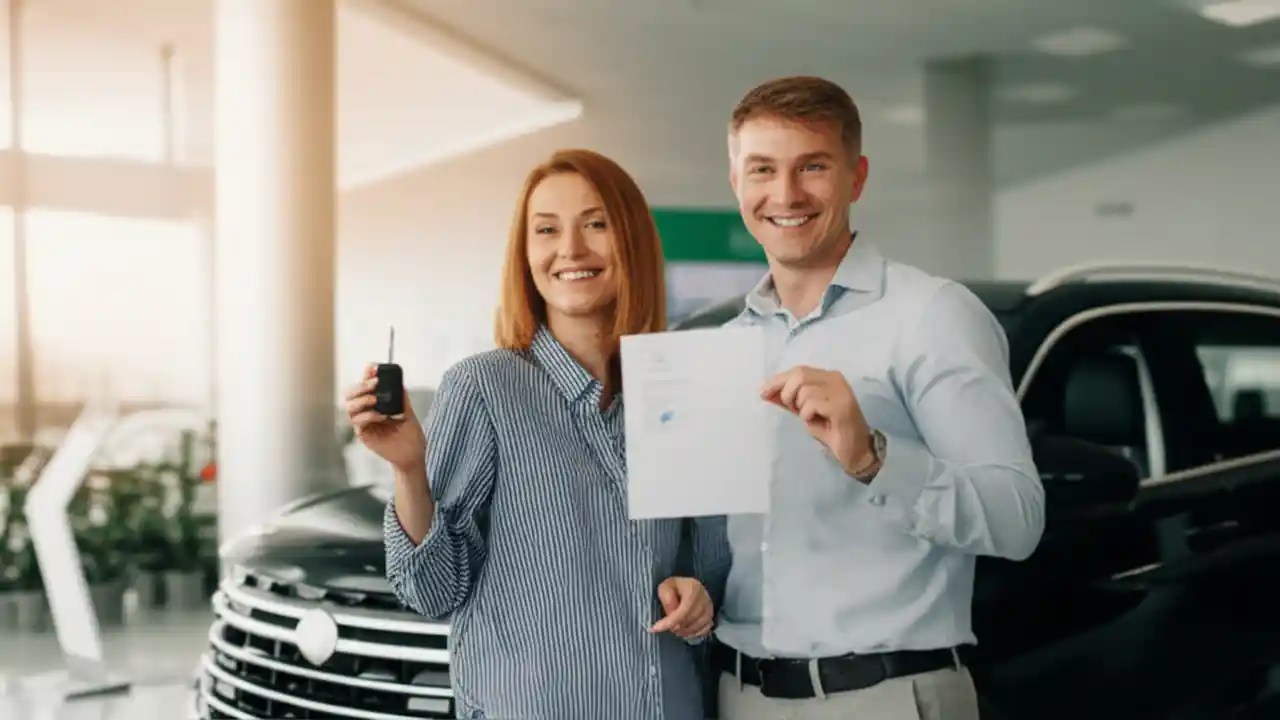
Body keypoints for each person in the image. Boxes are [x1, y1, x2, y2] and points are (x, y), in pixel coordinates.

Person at [346, 148, 731, 720]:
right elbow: (431, 592)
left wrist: (699, 600)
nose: (570, 250)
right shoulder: (483, 387)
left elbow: (710, 571)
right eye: (546, 230)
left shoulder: (679, 388)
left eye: (595, 224)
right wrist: (409, 470)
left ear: (632, 239)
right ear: (525, 256)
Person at [710, 76, 1046, 719]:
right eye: (762, 170)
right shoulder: (723, 345)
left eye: (813, 166)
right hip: (740, 697)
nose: (785, 194)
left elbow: (1018, 520)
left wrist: (873, 459)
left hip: (885, 697)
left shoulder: (932, 316)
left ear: (856, 177)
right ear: (736, 183)